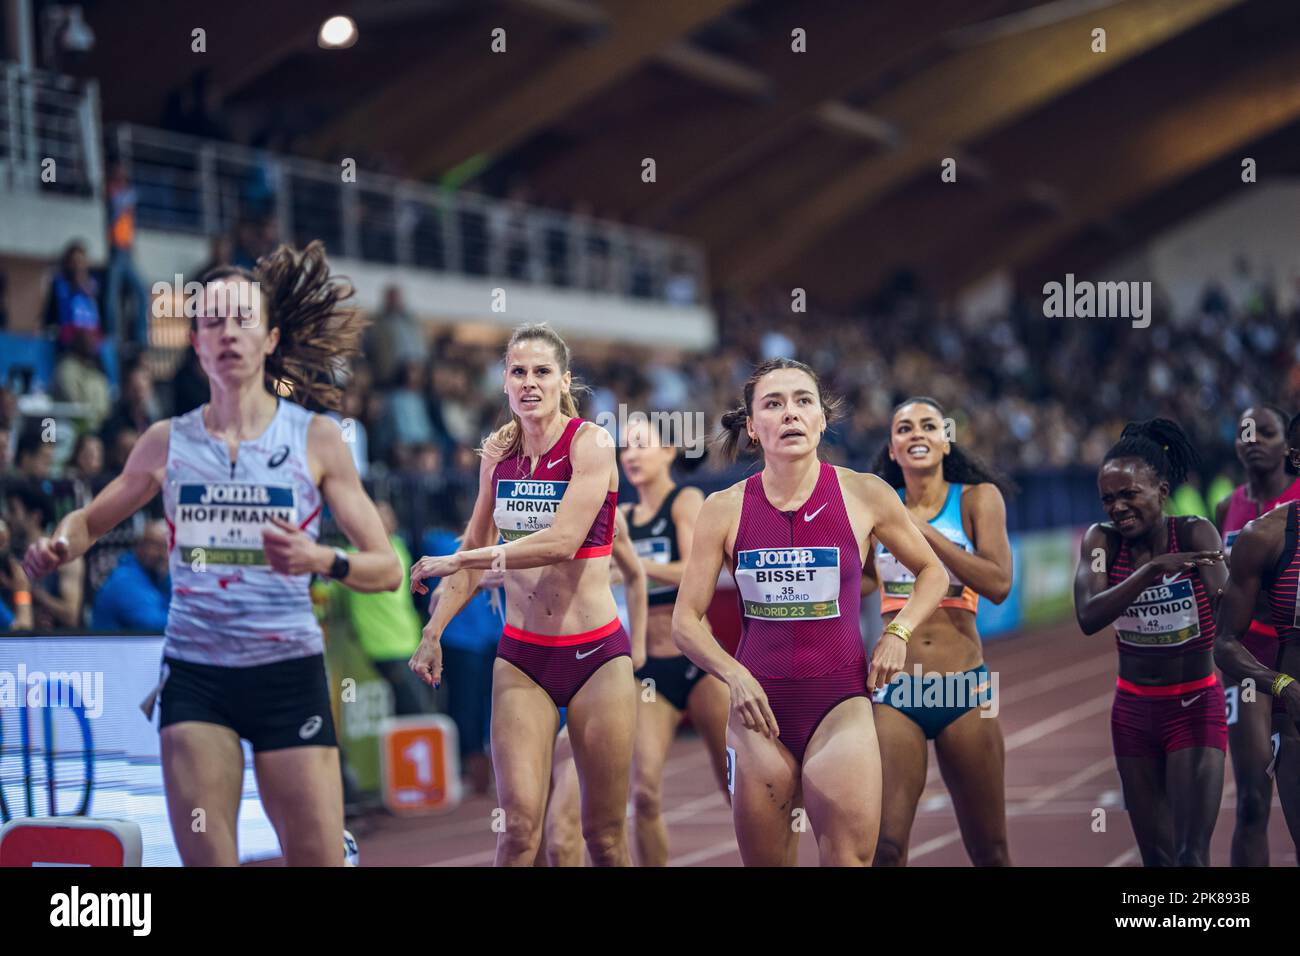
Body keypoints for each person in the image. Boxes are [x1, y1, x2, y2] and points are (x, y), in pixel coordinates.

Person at [23, 241, 402, 866]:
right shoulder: (165, 442)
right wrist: (60, 543)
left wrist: (319, 560)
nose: (227, 332)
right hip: (197, 675)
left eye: (241, 319)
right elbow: (89, 520)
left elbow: (386, 568)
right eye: (211, 321)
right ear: (195, 343)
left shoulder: (315, 438)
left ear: (271, 338)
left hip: (288, 673)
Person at [672, 358, 947, 866]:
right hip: (757, 711)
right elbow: (685, 620)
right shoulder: (724, 508)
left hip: (840, 704)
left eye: (803, 401)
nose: (791, 414)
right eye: (773, 404)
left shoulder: (866, 494)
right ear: (753, 427)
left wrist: (899, 632)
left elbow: (934, 572)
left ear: (823, 418)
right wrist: (732, 675)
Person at [408, 322, 642, 867]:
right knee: (517, 832)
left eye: (542, 372)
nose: (529, 382)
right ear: (505, 384)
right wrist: (433, 631)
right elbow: (473, 547)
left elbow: (561, 542)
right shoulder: (498, 454)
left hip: (596, 656)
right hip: (523, 657)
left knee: (602, 837)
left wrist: (461, 559)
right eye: (518, 372)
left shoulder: (591, 442)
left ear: (564, 381)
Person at [863, 397, 1014, 866]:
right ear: (892, 449)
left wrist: (922, 532)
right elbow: (856, 581)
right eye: (904, 429)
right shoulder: (878, 512)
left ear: (946, 440)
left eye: (928, 425)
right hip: (897, 692)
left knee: (989, 849)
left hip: (964, 689)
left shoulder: (977, 498)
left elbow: (998, 584)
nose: (917, 434)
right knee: (885, 848)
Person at [1073, 418, 1227, 866]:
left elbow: (1226, 608)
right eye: (1108, 499)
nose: (1118, 508)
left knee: (1190, 856)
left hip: (1194, 704)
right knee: (1156, 859)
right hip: (1133, 713)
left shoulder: (1196, 533)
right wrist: (1152, 570)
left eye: (1129, 495)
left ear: (1161, 490)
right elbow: (1088, 615)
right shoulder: (1101, 542)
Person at [619, 414, 730, 865]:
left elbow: (693, 570)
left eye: (641, 444)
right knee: (643, 792)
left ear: (668, 451)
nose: (631, 455)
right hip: (647, 667)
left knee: (735, 782)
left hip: (700, 662)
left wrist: (633, 568)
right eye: (625, 447)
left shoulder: (686, 500)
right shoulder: (622, 518)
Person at [1214, 404, 1300, 866]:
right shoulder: (1229, 506)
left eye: (1264, 433)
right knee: (1251, 800)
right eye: (1244, 432)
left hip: (1290, 648)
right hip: (1247, 658)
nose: (1252, 441)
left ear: (1288, 447)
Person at [540, 504, 647, 867]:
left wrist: (639, 649)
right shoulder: (515, 510)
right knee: (528, 831)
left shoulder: (605, 512)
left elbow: (636, 575)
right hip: (529, 673)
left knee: (567, 835)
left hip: (594, 673)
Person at [337, 501, 431, 716]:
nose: (386, 522)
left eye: (388, 516)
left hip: (410, 643)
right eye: (379, 517)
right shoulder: (353, 558)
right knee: (417, 714)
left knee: (413, 714)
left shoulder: (398, 547)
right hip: (384, 647)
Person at [91, 519, 170, 631]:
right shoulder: (124, 581)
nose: (164, 554)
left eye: (168, 546)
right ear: (139, 545)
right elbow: (156, 626)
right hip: (111, 647)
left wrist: (167, 578)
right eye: (157, 545)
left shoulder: (155, 575)